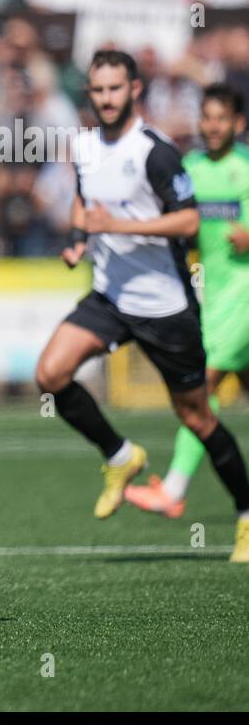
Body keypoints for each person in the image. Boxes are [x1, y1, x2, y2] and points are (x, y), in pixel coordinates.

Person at [32, 51, 249, 561]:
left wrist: (119, 227)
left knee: (198, 418)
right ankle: (121, 454)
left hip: (165, 307)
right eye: (97, 90)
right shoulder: (83, 146)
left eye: (114, 89)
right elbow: (84, 201)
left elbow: (189, 223)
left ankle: (245, 513)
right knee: (51, 373)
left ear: (135, 89)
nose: (106, 98)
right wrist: (79, 238)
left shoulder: (157, 152)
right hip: (110, 296)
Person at [127, 83, 249, 547]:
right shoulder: (190, 169)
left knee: (206, 383)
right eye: (207, 116)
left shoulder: (245, 169)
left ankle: (174, 489)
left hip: (243, 294)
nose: (212, 125)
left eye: (221, 118)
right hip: (211, 296)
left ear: (237, 123)